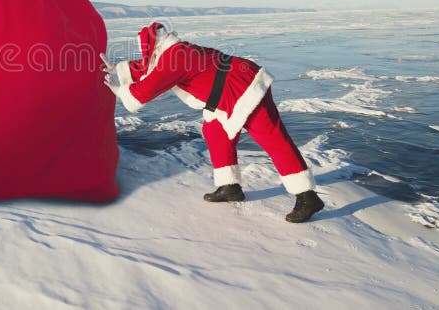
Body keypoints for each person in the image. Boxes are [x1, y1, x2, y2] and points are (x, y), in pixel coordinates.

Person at [102, 22, 324, 223]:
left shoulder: (175, 58)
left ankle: (307, 196)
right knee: (215, 133)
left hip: (243, 86)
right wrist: (118, 69)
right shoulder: (174, 52)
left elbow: (146, 89)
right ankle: (230, 187)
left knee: (271, 137)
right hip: (224, 93)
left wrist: (121, 90)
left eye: (145, 49)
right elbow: (150, 67)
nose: (145, 54)